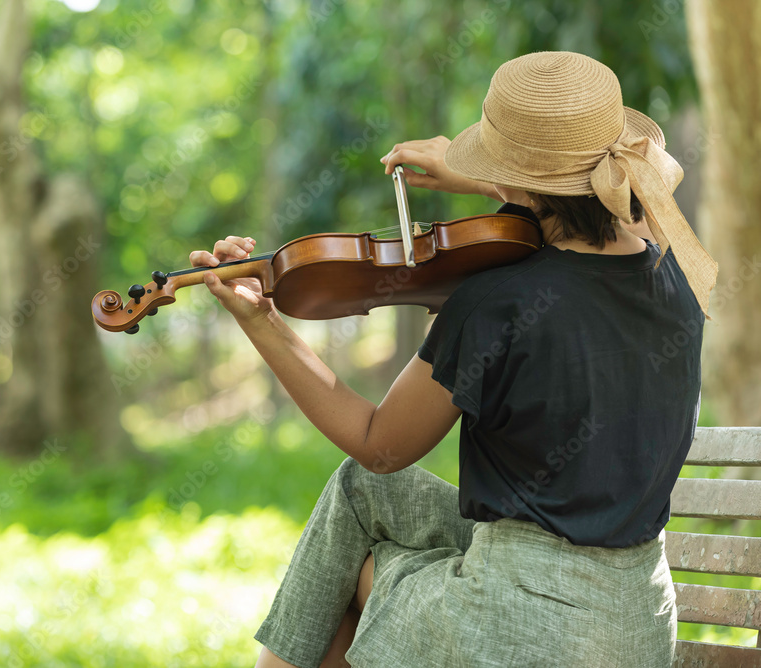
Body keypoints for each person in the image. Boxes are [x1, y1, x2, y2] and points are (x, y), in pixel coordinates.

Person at [188, 51, 718, 667]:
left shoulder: (498, 301)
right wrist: (494, 178)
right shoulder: (674, 269)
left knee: (363, 571)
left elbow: (378, 443)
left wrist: (263, 323)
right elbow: (598, 210)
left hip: (523, 629)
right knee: (361, 494)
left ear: (517, 182)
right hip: (638, 625)